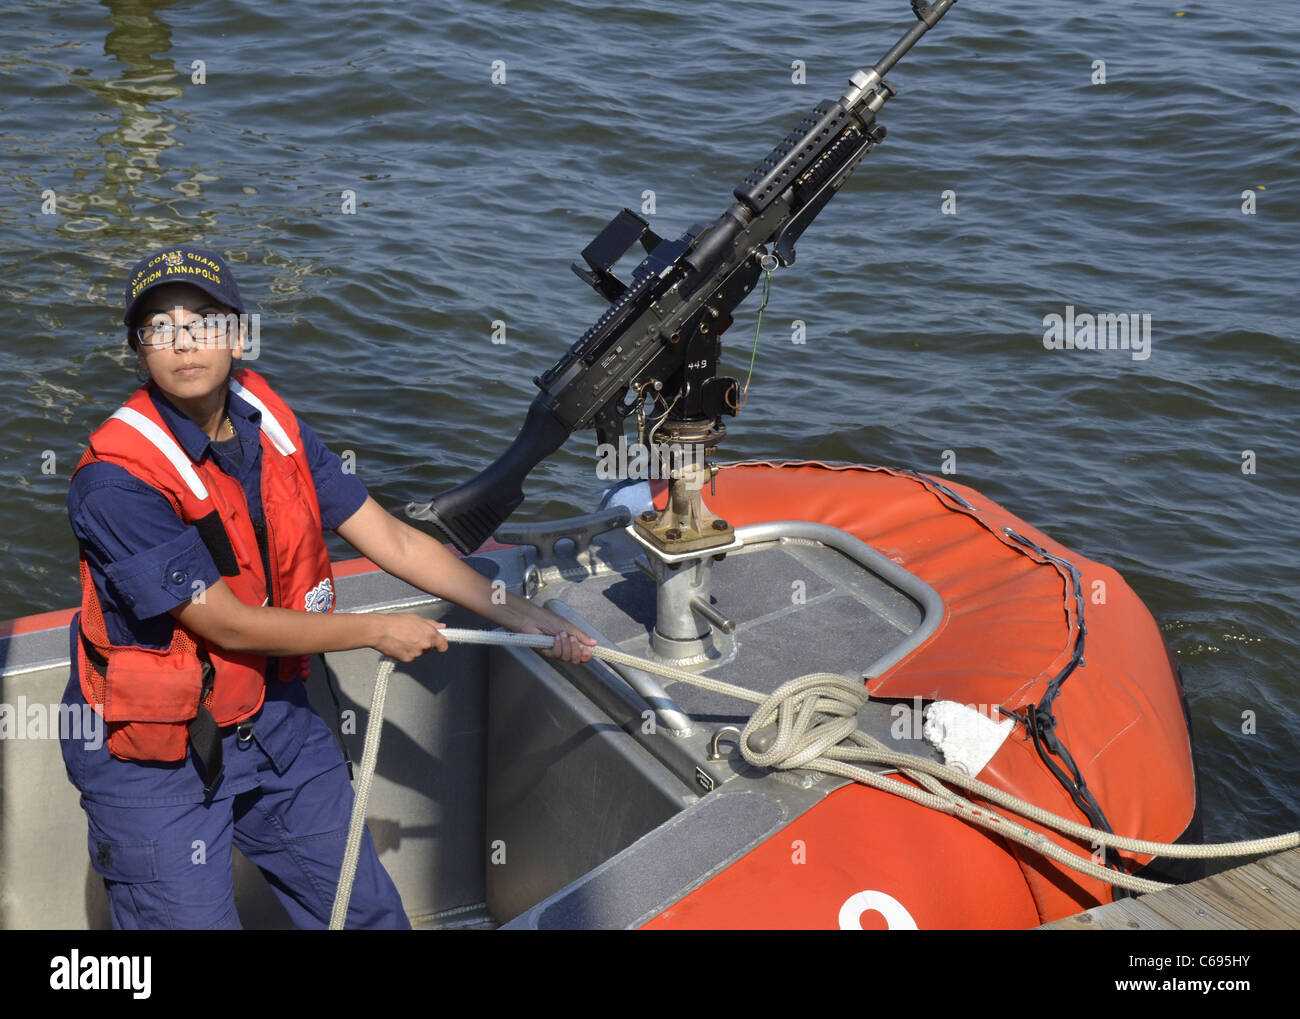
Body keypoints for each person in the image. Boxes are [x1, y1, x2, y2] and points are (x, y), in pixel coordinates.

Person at [61, 244, 595, 929]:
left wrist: (524, 616)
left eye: (204, 320)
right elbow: (224, 622)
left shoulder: (272, 422)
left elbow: (395, 540)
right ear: (138, 350)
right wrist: (375, 629)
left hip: (275, 713)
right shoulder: (114, 480)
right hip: (158, 750)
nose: (184, 341)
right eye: (158, 327)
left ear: (239, 334)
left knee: (366, 912)